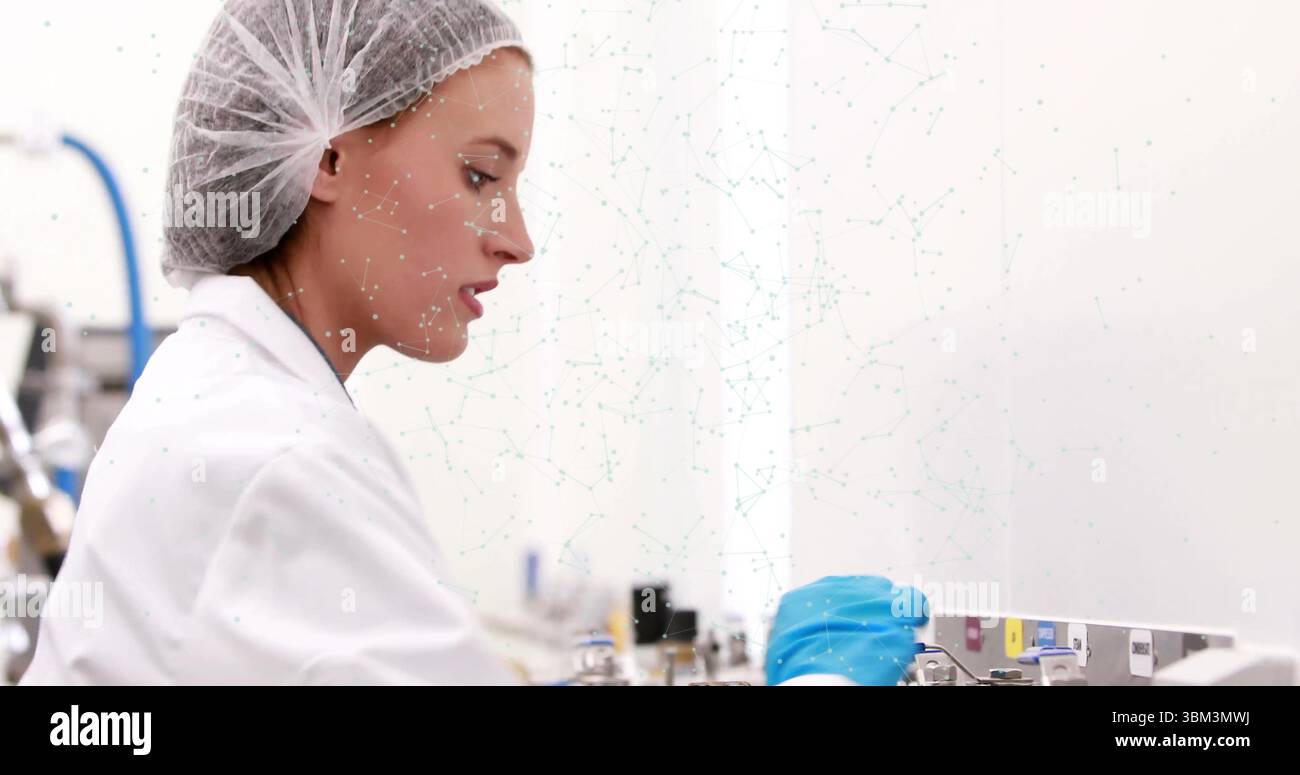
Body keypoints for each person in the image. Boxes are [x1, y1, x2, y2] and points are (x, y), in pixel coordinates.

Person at [21, 0, 924, 685]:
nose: (516, 238)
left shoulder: (232, 398)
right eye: (480, 174)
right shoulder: (272, 459)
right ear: (326, 157)